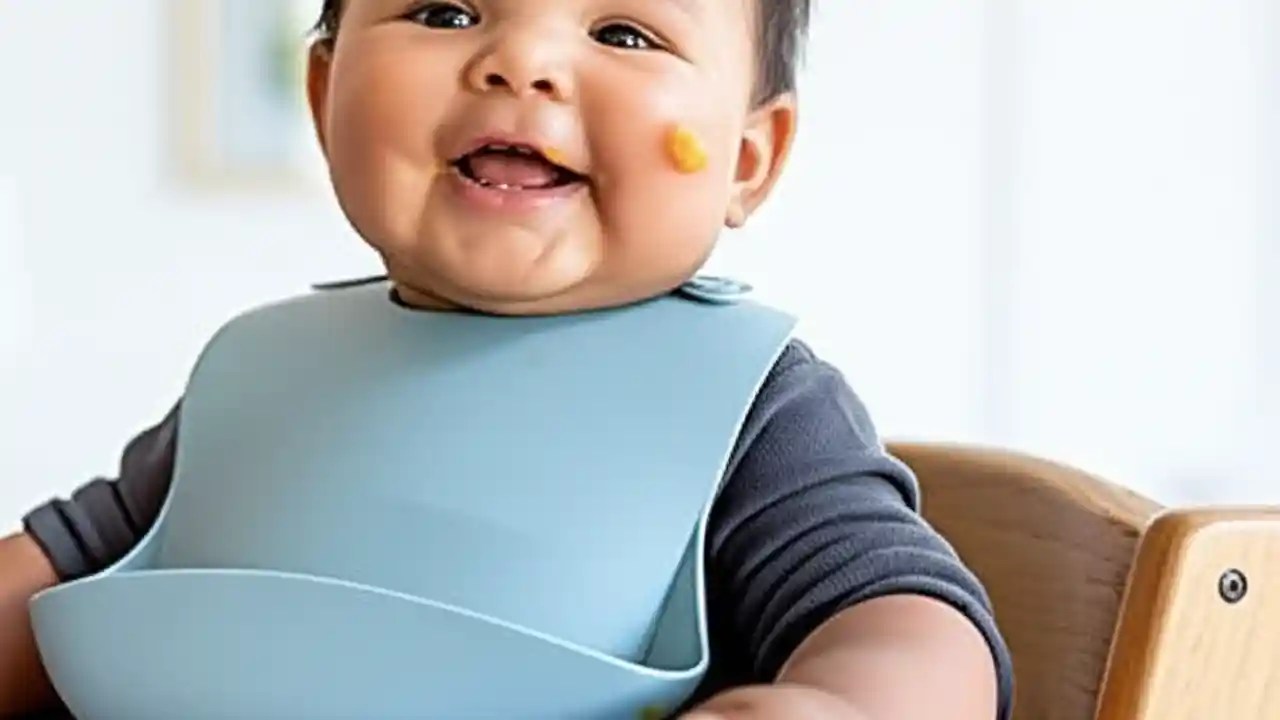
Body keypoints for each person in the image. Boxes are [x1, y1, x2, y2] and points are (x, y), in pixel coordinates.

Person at [0, 0, 1014, 717]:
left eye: (623, 31)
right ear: (323, 92)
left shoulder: (743, 404)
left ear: (747, 160)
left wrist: (837, 703)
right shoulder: (258, 372)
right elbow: (53, 584)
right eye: (444, 11)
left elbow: (903, 621)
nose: (519, 64)